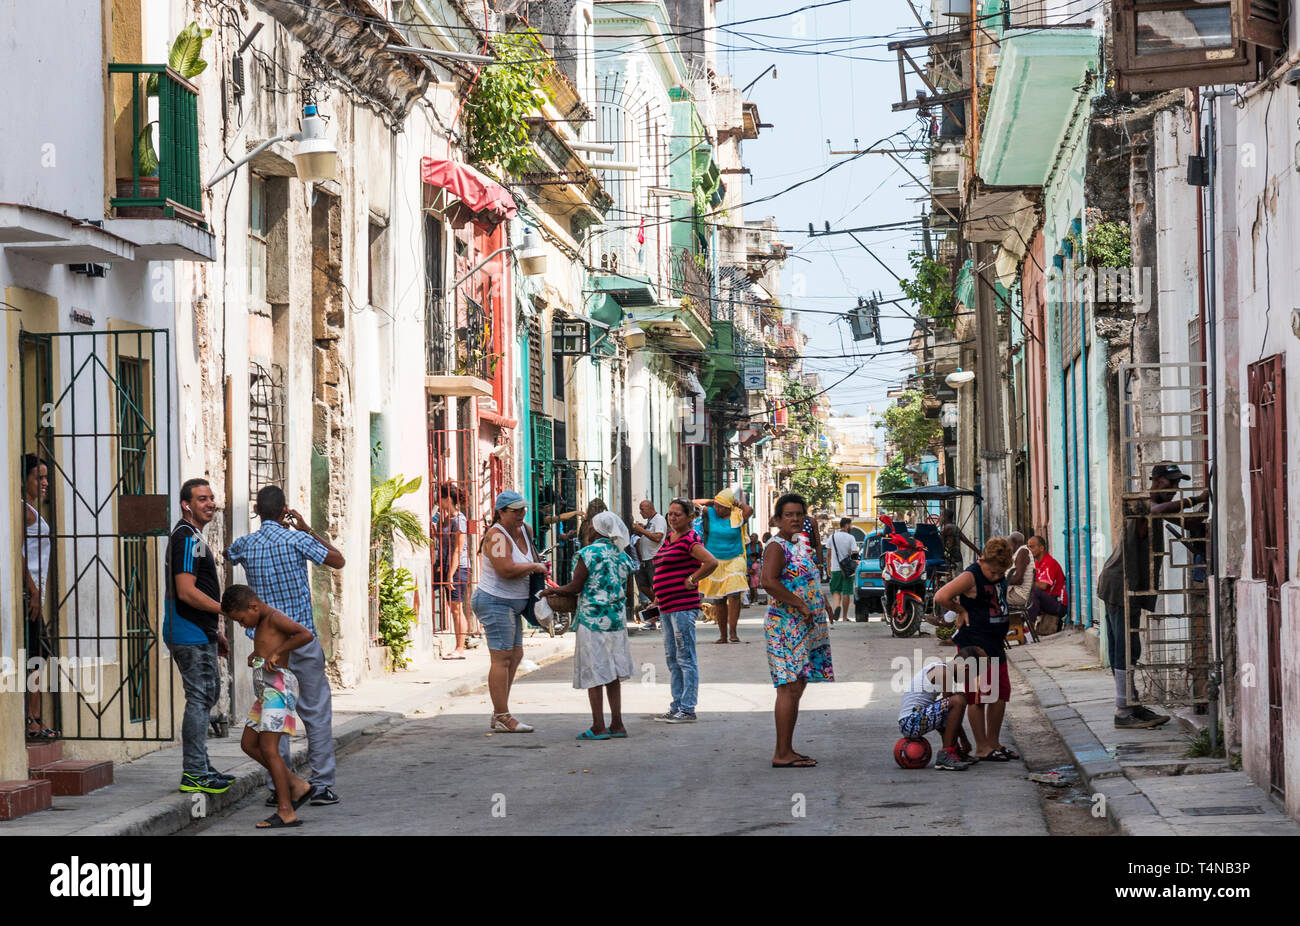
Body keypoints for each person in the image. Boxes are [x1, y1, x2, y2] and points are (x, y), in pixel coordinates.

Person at [228, 485, 346, 807]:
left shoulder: (245, 545)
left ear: (256, 510)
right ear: (284, 511)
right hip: (301, 639)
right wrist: (307, 529)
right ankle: (321, 786)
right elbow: (338, 560)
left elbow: (227, 553)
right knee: (316, 713)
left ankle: (279, 786)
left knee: (273, 716)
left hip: (267, 650)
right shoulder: (297, 539)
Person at [1095, 463, 1203, 729]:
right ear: (1155, 480)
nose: (1174, 489)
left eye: (1177, 484)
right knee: (1124, 647)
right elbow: (1155, 510)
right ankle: (1123, 711)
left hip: (1131, 583)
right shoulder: (1141, 503)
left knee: (1132, 646)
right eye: (1170, 483)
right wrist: (1193, 499)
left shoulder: (1157, 508)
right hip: (1120, 583)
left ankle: (1131, 702)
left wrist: (1207, 511)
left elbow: (1185, 522)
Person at [222, 585, 314, 829]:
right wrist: (258, 653)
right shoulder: (261, 622)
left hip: (278, 689)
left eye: (241, 620)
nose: (242, 625)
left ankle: (286, 811)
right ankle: (296, 785)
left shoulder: (274, 618)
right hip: (265, 692)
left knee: (268, 747)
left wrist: (277, 652)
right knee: (248, 744)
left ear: (253, 607)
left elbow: (305, 634)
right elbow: (268, 643)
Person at [164, 477, 233, 794]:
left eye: (211, 498)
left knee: (206, 695)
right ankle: (193, 771)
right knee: (200, 698)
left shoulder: (191, 536)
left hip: (197, 630)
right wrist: (224, 611)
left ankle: (201, 767)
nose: (209, 504)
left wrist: (214, 630)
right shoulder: (188, 539)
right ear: (186, 505)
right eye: (201, 499)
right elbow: (186, 591)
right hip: (187, 631)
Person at [541, 511, 636, 739]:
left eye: (590, 526)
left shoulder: (587, 553)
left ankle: (598, 726)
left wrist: (552, 590)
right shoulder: (623, 556)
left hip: (592, 622)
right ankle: (617, 724)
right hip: (616, 622)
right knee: (613, 674)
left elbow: (574, 587)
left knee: (595, 673)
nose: (587, 529)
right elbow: (628, 591)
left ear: (596, 529)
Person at [761, 493, 834, 768]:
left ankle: (787, 748)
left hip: (803, 626)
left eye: (799, 514)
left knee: (797, 686)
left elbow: (805, 579)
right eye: (788, 515)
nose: (795, 519)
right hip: (785, 626)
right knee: (788, 687)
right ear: (778, 519)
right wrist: (801, 605)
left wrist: (822, 603)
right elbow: (767, 581)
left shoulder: (798, 544)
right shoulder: (776, 546)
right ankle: (782, 752)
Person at [934, 538, 1018, 762]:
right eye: (993, 571)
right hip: (975, 644)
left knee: (1000, 694)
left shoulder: (999, 572)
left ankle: (994, 742)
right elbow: (941, 596)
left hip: (995, 641)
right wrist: (960, 609)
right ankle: (981, 746)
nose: (997, 575)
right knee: (979, 696)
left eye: (1001, 572)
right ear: (983, 560)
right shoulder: (971, 576)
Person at [472, 490, 547, 733]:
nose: (521, 514)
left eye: (523, 509)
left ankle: (500, 710)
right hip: (495, 601)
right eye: (515, 510)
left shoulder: (526, 530)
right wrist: (535, 566)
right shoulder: (496, 536)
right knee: (502, 658)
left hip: (515, 602)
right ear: (501, 513)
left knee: (515, 656)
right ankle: (503, 715)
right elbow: (506, 569)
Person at [649, 499, 718, 723]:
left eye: (677, 514)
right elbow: (666, 568)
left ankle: (688, 708)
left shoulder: (690, 540)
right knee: (673, 658)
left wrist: (692, 579)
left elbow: (711, 562)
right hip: (667, 606)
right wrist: (658, 596)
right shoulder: (670, 538)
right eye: (670, 514)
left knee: (685, 657)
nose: (672, 518)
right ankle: (676, 704)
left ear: (690, 517)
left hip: (682, 607)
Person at [21, 454, 59, 743]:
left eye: (46, 477)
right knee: (36, 657)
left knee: (39, 657)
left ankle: (35, 718)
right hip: (29, 595)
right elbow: (18, 553)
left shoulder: (33, 510)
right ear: (25, 480)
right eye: (38, 477)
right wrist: (33, 591)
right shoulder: (24, 511)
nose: (44, 483)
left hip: (36, 594)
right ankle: (33, 722)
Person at [897, 652, 981, 770]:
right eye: (969, 676)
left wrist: (963, 740)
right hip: (910, 722)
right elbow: (949, 709)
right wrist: (964, 739)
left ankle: (954, 751)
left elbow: (949, 713)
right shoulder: (944, 672)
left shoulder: (940, 667)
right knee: (958, 700)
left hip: (910, 721)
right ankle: (945, 754)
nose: (965, 680)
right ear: (966, 667)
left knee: (957, 699)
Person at [693, 487, 754, 643]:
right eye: (717, 506)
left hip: (735, 559)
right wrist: (715, 501)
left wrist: (735, 502)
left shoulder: (737, 515)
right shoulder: (711, 512)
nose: (718, 509)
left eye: (722, 506)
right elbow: (693, 502)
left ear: (729, 506)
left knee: (734, 595)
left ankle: (733, 632)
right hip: (714, 561)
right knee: (719, 599)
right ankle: (723, 635)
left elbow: (749, 509)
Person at [436, 484, 473, 659]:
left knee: (457, 608)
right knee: (454, 608)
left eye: (440, 497)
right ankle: (459, 646)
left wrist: (450, 574)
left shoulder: (460, 520)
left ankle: (459, 648)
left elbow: (458, 549)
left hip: (458, 568)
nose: (438, 501)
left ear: (448, 499)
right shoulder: (446, 519)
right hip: (446, 566)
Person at [630, 499, 667, 627]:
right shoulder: (651, 521)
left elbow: (658, 537)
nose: (640, 512)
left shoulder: (659, 519)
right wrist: (643, 529)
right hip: (645, 560)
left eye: (642, 509)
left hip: (654, 559)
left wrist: (642, 530)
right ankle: (657, 611)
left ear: (650, 507)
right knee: (643, 586)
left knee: (658, 590)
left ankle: (658, 617)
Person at [1025, 534, 1067, 631]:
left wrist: (1026, 583)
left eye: (1031, 547)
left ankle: (1028, 630)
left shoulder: (1050, 562)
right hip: (1048, 601)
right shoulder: (1037, 563)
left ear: (1041, 548)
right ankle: (1020, 626)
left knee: (1033, 591)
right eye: (1027, 547)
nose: (1029, 550)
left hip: (1058, 604)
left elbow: (1043, 586)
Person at [825, 517, 858, 623]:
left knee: (835, 590)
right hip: (847, 569)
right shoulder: (851, 538)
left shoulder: (832, 537)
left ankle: (837, 606)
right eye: (851, 525)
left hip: (835, 568)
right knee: (846, 592)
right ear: (847, 525)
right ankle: (844, 617)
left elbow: (828, 554)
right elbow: (854, 553)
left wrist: (828, 568)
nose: (851, 527)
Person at [1004, 531, 1036, 612]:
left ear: (1014, 542)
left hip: (1018, 596)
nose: (1009, 548)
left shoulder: (1022, 552)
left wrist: (1001, 581)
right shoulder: (1020, 552)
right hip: (1016, 593)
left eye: (1009, 545)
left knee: (987, 597)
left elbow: (1018, 579)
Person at [745, 532, 766, 606]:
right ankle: (751, 599)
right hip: (747, 565)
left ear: (756, 538)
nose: (751, 538)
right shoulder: (747, 545)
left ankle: (755, 599)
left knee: (754, 585)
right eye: (751, 536)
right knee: (749, 584)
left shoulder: (759, 545)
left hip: (756, 566)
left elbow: (762, 555)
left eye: (753, 536)